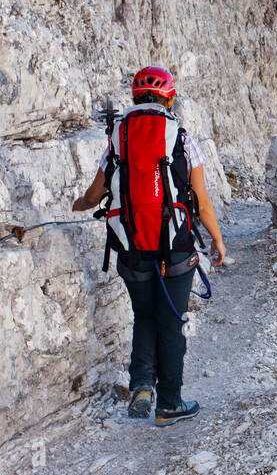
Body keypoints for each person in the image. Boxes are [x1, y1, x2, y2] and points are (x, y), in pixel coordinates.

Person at [73, 66, 226, 426]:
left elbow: (96, 193)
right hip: (176, 245)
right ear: (169, 98)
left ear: (135, 99)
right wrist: (217, 240)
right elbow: (201, 202)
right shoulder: (182, 138)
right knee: (171, 322)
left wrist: (78, 205)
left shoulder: (118, 136)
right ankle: (169, 402)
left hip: (131, 245)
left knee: (144, 316)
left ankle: (141, 385)